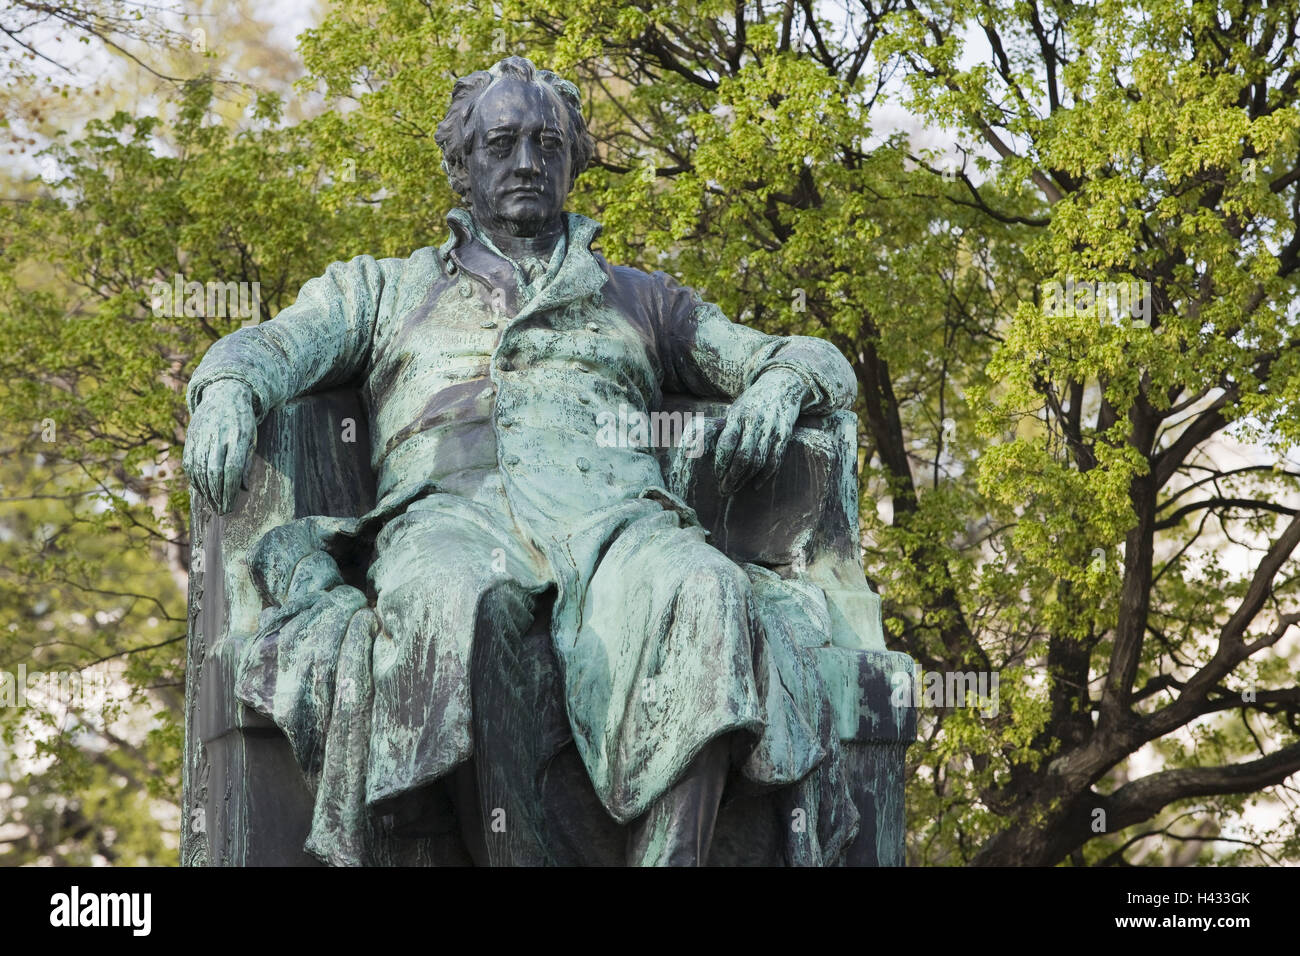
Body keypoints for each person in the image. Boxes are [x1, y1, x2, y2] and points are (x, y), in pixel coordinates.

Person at [184, 56, 858, 865]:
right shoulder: (382, 290)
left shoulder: (643, 299)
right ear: (461, 166)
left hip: (617, 527)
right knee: (459, 601)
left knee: (705, 588)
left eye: (548, 144)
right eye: (501, 143)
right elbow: (271, 345)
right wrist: (226, 388)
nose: (528, 162)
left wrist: (783, 384)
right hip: (448, 521)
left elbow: (808, 356)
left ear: (574, 162)